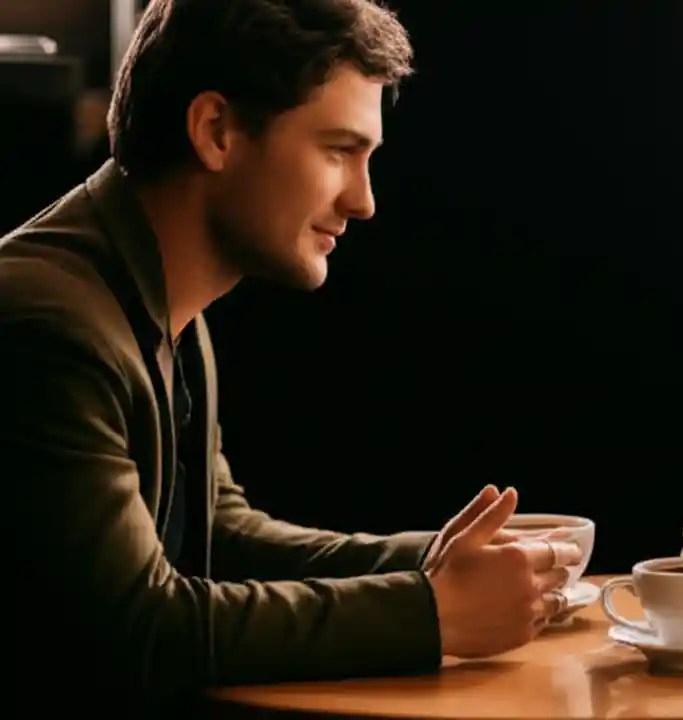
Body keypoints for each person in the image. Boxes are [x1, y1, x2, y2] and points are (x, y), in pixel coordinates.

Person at [0, 0, 580, 710]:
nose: (364, 200)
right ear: (216, 131)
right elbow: (136, 626)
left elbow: (223, 535)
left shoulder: (151, 293)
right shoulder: (46, 322)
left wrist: (442, 564)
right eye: (339, 150)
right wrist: (429, 610)